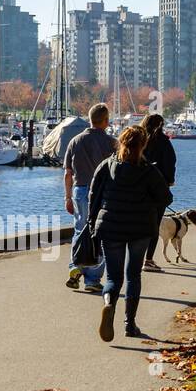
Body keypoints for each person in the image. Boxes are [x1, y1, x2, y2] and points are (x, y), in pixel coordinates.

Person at [88, 125, 173, 341]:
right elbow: (166, 197)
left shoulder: (107, 166)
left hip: (110, 226)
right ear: (143, 145)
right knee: (133, 275)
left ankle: (108, 303)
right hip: (140, 227)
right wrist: (148, 202)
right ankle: (129, 324)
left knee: (113, 277)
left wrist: (92, 223)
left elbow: (93, 195)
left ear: (121, 142)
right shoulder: (149, 170)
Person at [63, 103, 117, 293]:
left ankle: (75, 266)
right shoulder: (112, 143)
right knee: (99, 234)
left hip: (79, 190)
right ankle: (92, 279)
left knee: (79, 230)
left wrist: (67, 197)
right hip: (101, 192)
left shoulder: (75, 141)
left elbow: (68, 173)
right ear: (106, 121)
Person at [139, 113, 177, 271]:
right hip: (159, 188)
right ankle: (148, 259)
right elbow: (170, 162)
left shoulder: (139, 140)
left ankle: (135, 256)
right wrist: (169, 180)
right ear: (161, 125)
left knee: (139, 223)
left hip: (139, 188)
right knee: (154, 225)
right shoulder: (164, 142)